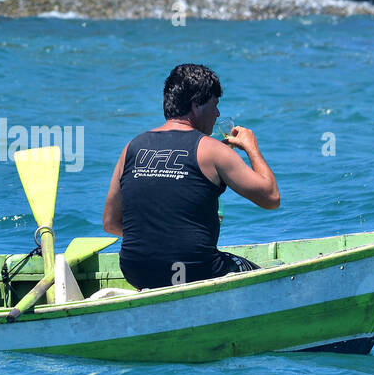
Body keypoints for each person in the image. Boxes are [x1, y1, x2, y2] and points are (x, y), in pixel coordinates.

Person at [102, 63, 279, 290]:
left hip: (137, 272)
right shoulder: (213, 150)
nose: (217, 114)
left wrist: (156, 239)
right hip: (196, 271)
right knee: (266, 278)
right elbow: (271, 198)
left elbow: (110, 223)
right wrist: (252, 148)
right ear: (196, 104)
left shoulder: (132, 147)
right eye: (215, 105)